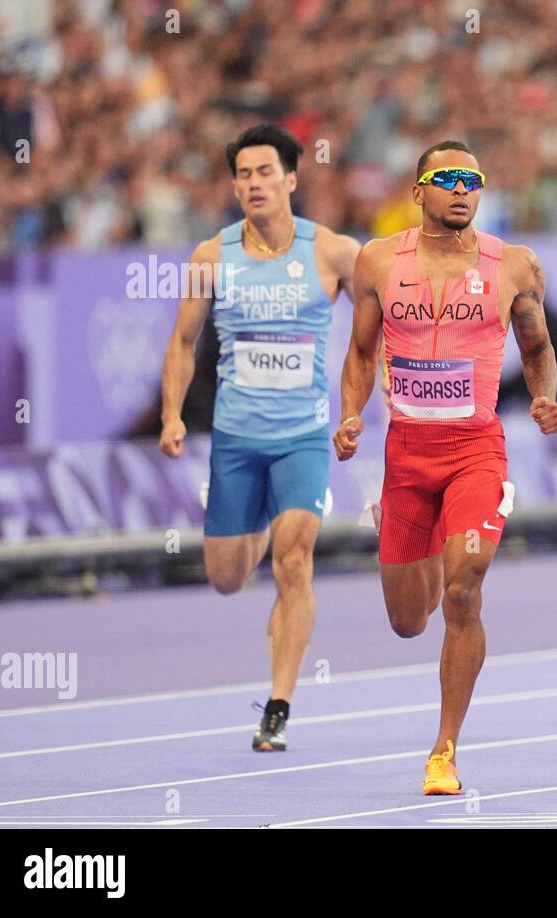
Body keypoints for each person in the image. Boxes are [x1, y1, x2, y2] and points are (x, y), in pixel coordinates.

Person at [334, 140, 557, 795]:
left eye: (474, 180)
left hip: (475, 454)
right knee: (408, 620)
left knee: (463, 591)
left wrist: (545, 396)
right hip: (406, 458)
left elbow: (539, 347)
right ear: (419, 191)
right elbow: (358, 352)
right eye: (449, 179)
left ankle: (444, 750)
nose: (463, 189)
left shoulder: (515, 265)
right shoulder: (378, 261)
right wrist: (352, 413)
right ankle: (427, 539)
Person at [159, 123, 360, 752]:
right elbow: (183, 342)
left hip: (302, 440)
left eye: (265, 172)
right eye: (243, 174)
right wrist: (171, 415)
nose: (253, 183)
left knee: (293, 561)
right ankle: (253, 524)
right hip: (236, 441)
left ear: (291, 179)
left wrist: (359, 403)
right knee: (225, 575)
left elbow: (378, 320)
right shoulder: (212, 257)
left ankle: (278, 703)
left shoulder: (331, 252)